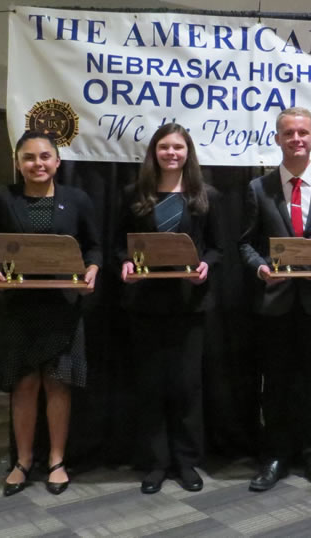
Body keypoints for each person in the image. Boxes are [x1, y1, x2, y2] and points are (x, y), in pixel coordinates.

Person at [0, 131, 101, 497]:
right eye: (29, 158)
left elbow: (93, 246)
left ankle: (57, 461)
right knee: (24, 384)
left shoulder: (77, 200)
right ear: (18, 163)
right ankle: (23, 460)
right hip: (19, 307)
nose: (38, 164)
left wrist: (92, 270)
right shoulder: (1, 198)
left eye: (45, 157)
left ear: (57, 162)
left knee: (58, 383)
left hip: (62, 306)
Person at [238, 107, 311, 493]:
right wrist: (259, 268)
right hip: (276, 304)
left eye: (304, 132)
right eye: (289, 133)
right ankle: (275, 457)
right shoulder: (259, 189)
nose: (297, 139)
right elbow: (245, 244)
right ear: (278, 139)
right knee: (276, 386)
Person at [117, 123, 222, 494]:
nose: (172, 153)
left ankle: (186, 462)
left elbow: (216, 248)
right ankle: (156, 462)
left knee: (186, 386)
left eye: (178, 147)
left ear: (188, 153)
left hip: (188, 304)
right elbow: (119, 245)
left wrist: (207, 265)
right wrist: (125, 264)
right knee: (150, 386)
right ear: (154, 152)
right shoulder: (135, 194)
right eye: (165, 147)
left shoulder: (204, 195)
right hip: (144, 304)